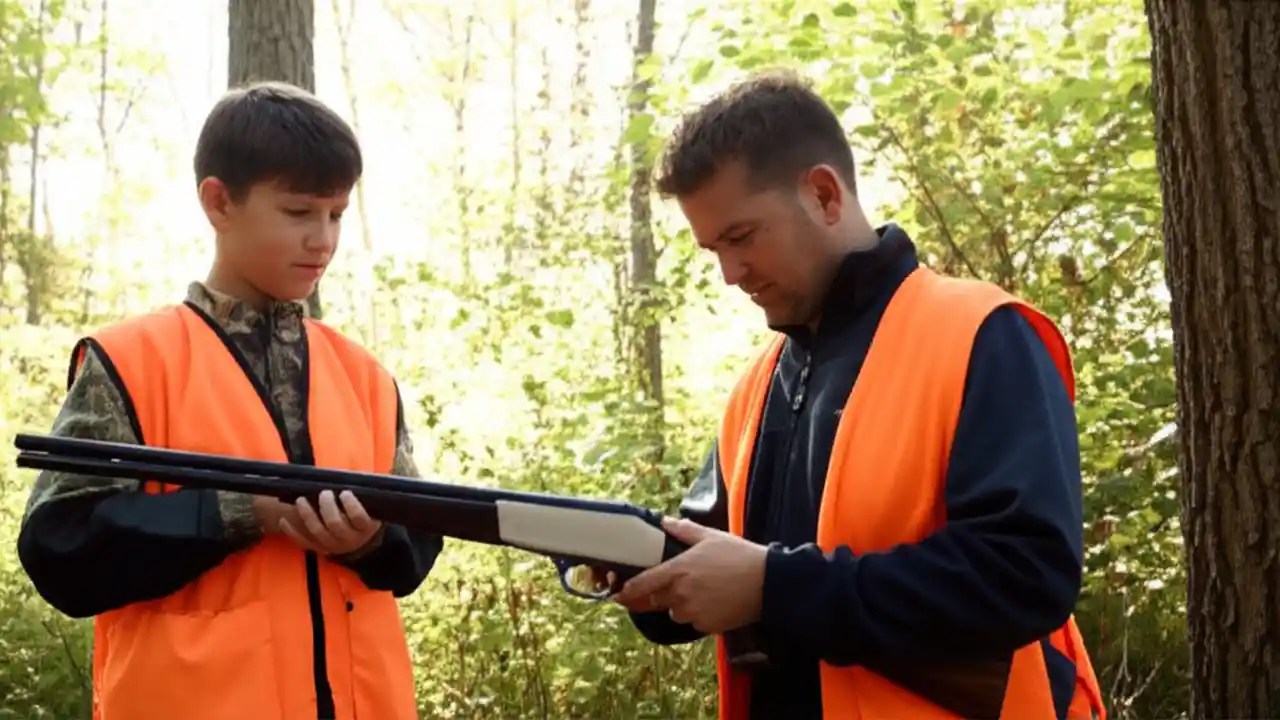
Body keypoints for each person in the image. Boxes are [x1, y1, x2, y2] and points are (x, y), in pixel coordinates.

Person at [607, 71, 1107, 720]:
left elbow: (1025, 576)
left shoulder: (982, 335)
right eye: (712, 250)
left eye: (741, 237)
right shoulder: (756, 388)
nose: (730, 275)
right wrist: (631, 564)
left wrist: (774, 587)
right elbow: (715, 564)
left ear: (823, 193)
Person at [16, 81, 441, 720]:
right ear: (219, 201)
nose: (323, 239)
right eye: (299, 213)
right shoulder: (130, 361)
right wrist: (242, 511)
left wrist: (369, 540)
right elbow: (61, 552)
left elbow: (416, 549)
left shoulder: (365, 376)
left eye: (336, 215)